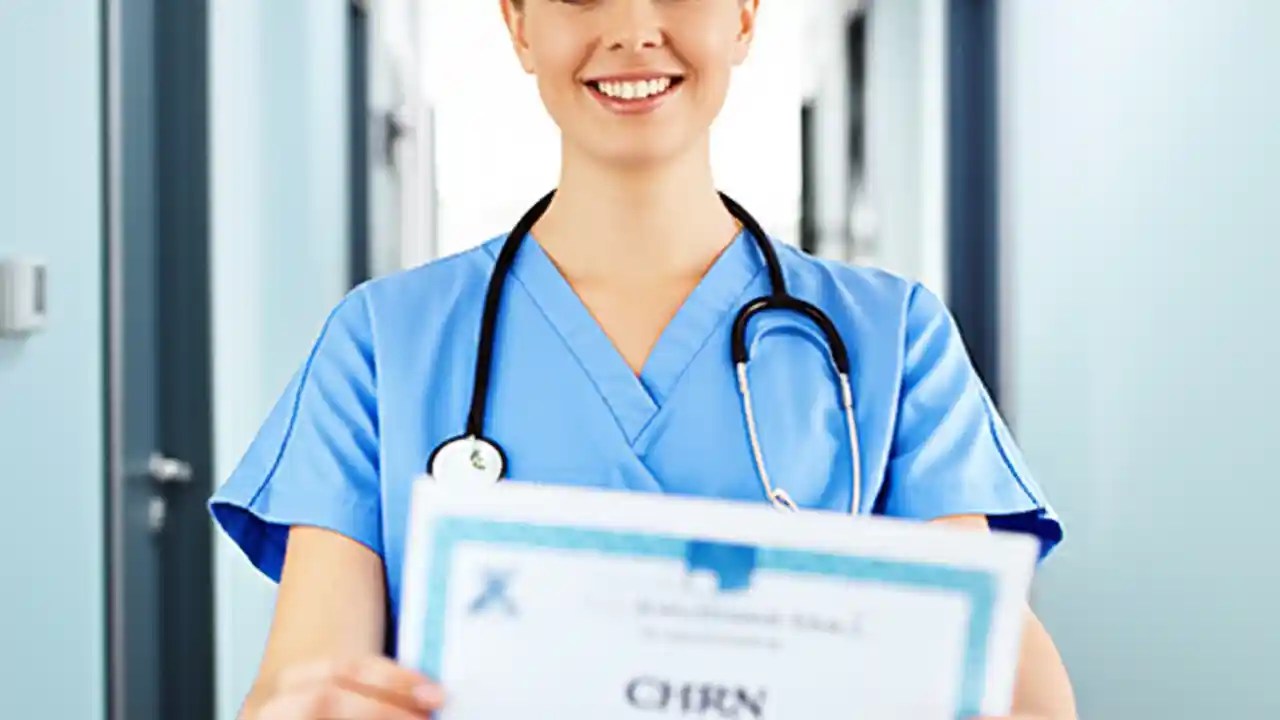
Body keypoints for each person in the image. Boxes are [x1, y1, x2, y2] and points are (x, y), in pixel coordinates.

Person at [209, 1, 1076, 718]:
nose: (632, 27)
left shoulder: (890, 337)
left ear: (744, 17)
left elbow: (1004, 686)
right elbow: (303, 682)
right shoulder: (384, 342)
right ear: (517, 24)